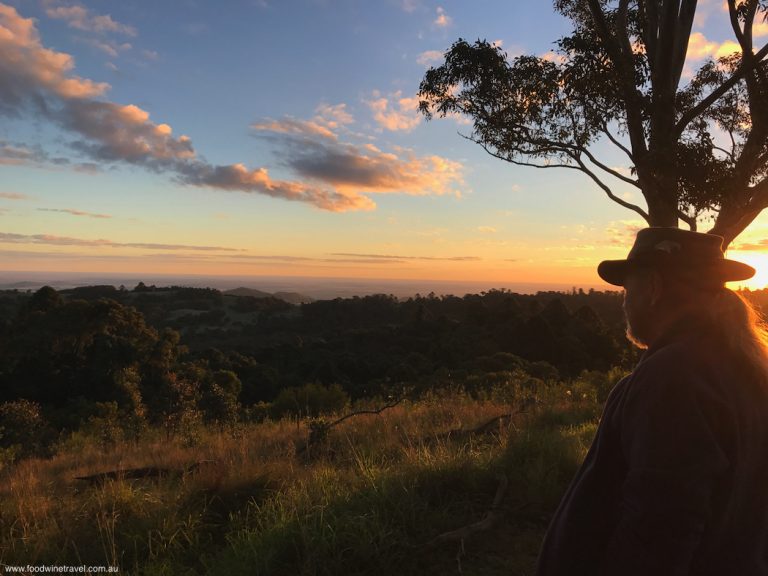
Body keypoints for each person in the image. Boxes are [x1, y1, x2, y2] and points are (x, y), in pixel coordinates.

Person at [535, 227, 768, 576]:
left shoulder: (674, 374)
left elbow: (660, 531)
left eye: (627, 289)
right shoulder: (745, 366)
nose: (625, 302)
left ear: (653, 288)